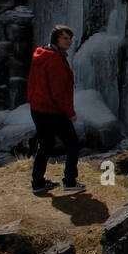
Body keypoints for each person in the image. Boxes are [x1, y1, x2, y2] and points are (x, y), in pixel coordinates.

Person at [28, 25, 85, 193]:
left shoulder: (41, 54)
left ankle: (37, 183)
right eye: (64, 38)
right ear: (56, 40)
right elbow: (59, 92)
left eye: (70, 38)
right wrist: (70, 113)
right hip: (52, 110)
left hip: (37, 107)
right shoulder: (55, 60)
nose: (69, 42)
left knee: (45, 145)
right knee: (72, 143)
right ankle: (70, 181)